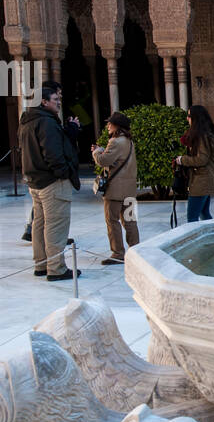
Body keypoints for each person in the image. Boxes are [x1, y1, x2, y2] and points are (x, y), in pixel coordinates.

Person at [19, 81, 81, 280]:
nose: (58, 103)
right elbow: (53, 153)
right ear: (44, 102)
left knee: (40, 223)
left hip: (35, 181)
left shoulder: (27, 120)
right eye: (55, 100)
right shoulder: (47, 122)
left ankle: (42, 264)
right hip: (52, 182)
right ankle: (57, 269)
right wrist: (62, 173)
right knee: (55, 225)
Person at [91, 113, 140, 264]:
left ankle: (118, 252)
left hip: (115, 190)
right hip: (130, 189)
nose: (107, 126)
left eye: (110, 124)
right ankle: (136, 250)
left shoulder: (115, 142)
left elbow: (103, 160)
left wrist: (97, 151)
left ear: (117, 126)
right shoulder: (129, 142)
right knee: (130, 220)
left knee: (112, 220)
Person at [176, 104, 214, 222]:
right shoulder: (207, 133)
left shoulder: (202, 136)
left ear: (196, 118)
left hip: (201, 181)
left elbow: (202, 159)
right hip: (204, 179)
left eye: (189, 116)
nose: (187, 119)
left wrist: (182, 160)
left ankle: (210, 238)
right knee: (204, 213)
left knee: (192, 217)